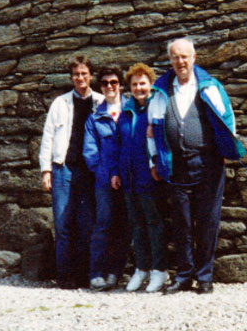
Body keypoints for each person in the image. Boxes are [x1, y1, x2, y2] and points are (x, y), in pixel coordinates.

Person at [148, 38, 245, 294]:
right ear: (170, 60)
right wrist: (153, 161)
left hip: (208, 163)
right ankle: (183, 276)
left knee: (207, 221)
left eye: (184, 57)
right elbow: (153, 129)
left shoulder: (210, 86)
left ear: (194, 58)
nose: (180, 62)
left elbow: (227, 119)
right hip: (175, 163)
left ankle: (204, 277)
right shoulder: (160, 90)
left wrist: (226, 150)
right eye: (175, 57)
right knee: (181, 222)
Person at [38, 55, 104, 289]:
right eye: (76, 74)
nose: (80, 78)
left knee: (87, 224)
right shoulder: (60, 103)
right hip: (63, 169)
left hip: (90, 173)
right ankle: (65, 277)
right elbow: (48, 137)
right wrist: (46, 170)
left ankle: (85, 275)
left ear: (91, 75)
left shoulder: (101, 102)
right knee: (63, 223)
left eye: (84, 73)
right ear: (71, 77)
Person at [116, 63, 169, 293]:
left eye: (143, 83)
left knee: (154, 223)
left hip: (149, 176)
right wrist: (116, 172)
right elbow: (118, 144)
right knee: (137, 225)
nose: (139, 88)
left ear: (150, 85)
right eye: (135, 84)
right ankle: (142, 268)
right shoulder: (126, 112)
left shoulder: (156, 108)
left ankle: (160, 270)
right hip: (129, 177)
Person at [82, 65, 127, 291]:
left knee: (125, 227)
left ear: (120, 84)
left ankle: (115, 273)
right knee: (103, 224)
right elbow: (91, 154)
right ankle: (96, 273)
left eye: (114, 82)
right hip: (105, 182)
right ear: (100, 86)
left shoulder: (132, 110)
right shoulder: (94, 117)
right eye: (105, 83)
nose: (109, 87)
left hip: (130, 179)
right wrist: (109, 176)